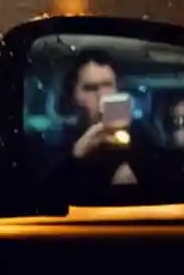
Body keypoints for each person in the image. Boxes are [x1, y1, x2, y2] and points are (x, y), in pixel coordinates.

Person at [44, 49, 150, 188]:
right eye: (90, 88)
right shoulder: (59, 141)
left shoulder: (141, 134)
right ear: (75, 96)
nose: (102, 96)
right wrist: (76, 157)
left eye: (108, 85)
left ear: (117, 89)